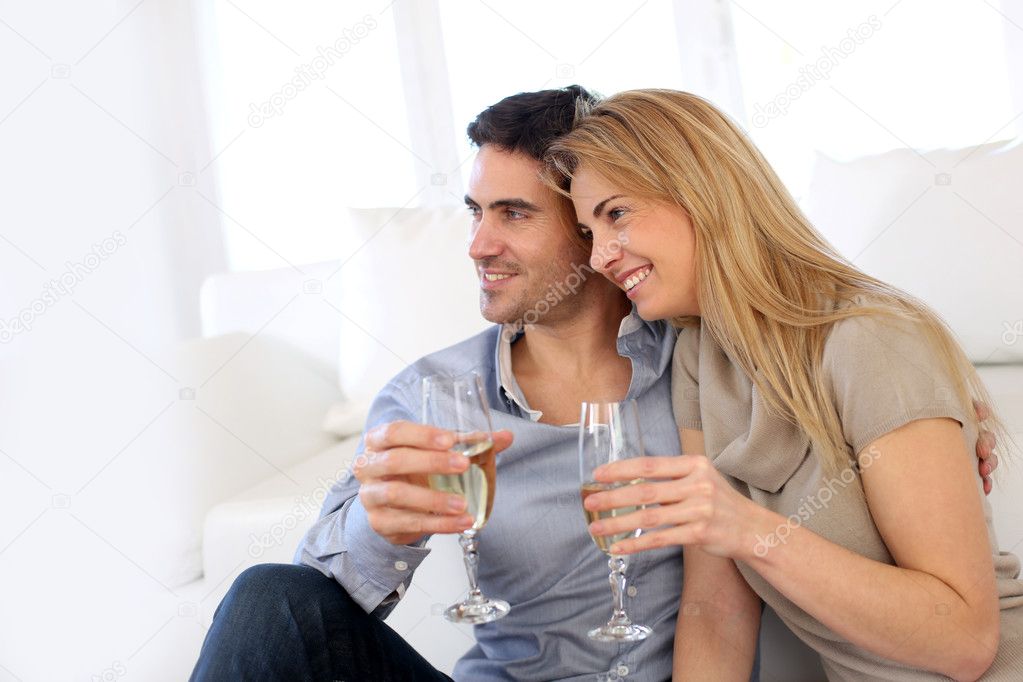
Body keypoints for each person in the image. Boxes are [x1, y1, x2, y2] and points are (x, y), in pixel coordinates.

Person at [189, 86, 998, 682]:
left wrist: (939, 391)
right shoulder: (434, 394)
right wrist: (378, 529)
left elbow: (817, 318)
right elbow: (297, 628)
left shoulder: (690, 359)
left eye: (513, 214)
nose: (475, 244)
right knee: (271, 596)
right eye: (472, 211)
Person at [547, 88, 1022, 680]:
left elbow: (966, 641)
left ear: (702, 190)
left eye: (616, 213)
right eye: (589, 233)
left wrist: (746, 528)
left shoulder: (872, 339)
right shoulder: (698, 354)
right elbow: (715, 609)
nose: (599, 259)